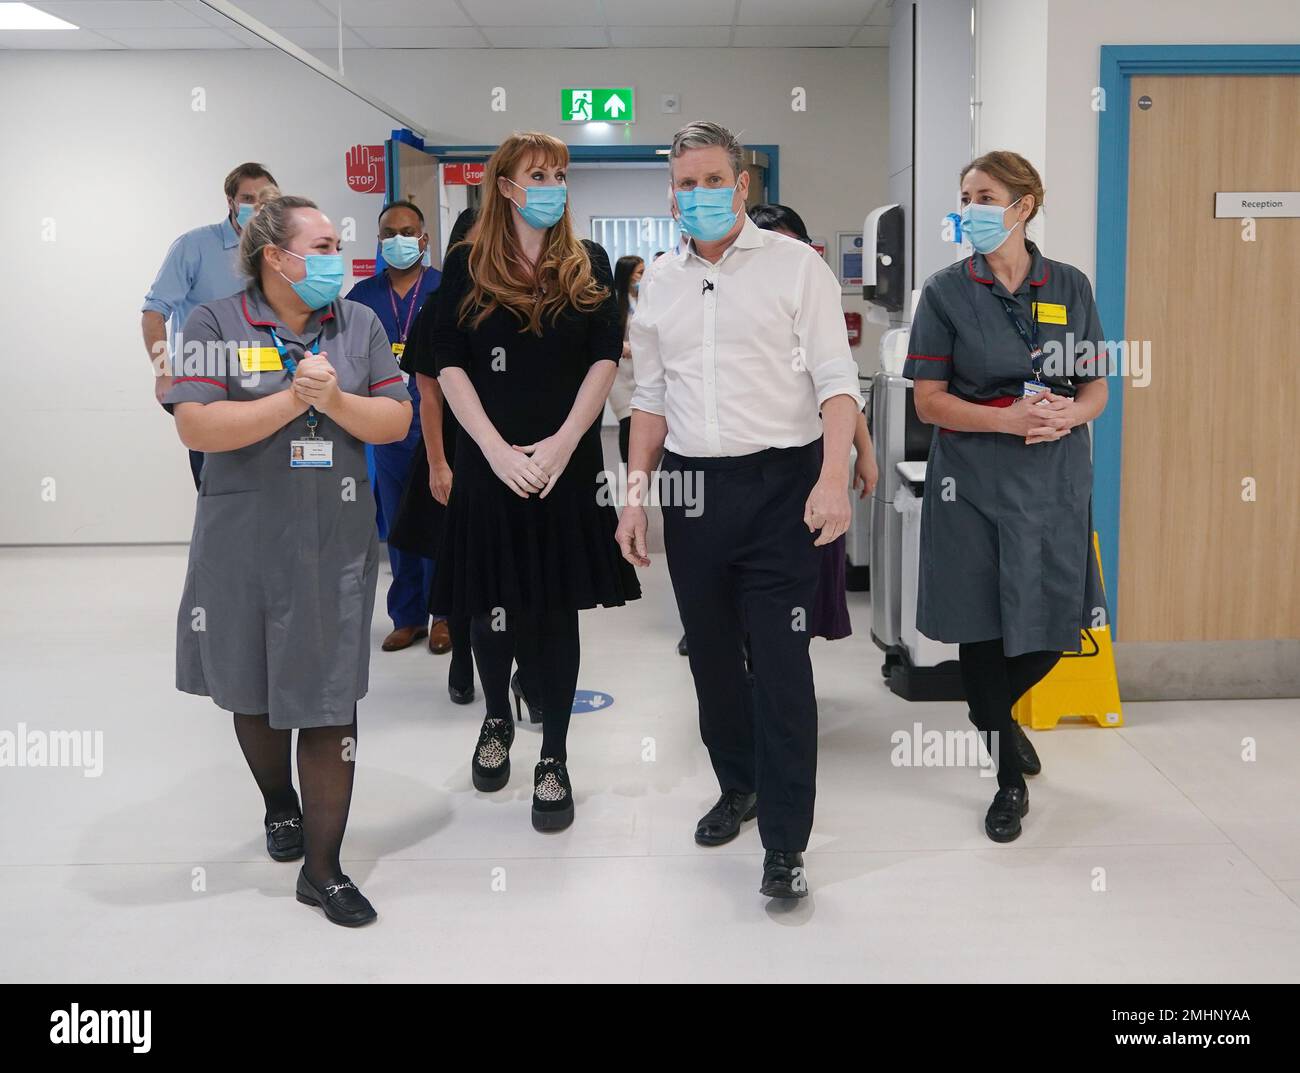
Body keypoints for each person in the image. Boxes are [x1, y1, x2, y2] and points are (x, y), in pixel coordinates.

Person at [616, 122, 863, 900]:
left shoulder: (797, 269)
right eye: (684, 184)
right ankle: (739, 785)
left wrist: (834, 476)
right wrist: (634, 494)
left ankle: (786, 845)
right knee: (715, 660)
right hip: (693, 492)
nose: (699, 195)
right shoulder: (658, 282)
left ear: (742, 185)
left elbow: (835, 380)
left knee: (783, 666)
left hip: (782, 487)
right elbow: (650, 400)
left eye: (712, 179)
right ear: (671, 193)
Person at [163, 187, 413, 926]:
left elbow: (396, 419)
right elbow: (198, 427)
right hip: (243, 539)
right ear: (276, 256)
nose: (340, 258)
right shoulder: (214, 320)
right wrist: (292, 400)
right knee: (255, 688)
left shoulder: (358, 322)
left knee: (331, 695)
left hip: (333, 538)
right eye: (326, 246)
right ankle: (281, 804)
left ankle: (324, 869)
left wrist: (334, 402)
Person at [410, 132, 641, 832]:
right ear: (505, 186)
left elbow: (604, 355)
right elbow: (445, 360)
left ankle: (556, 758)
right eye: (537, 174)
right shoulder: (468, 262)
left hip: (564, 466)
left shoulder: (588, 261)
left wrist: (566, 442)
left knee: (555, 609)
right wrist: (491, 448)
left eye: (560, 174)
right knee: (491, 604)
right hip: (490, 460)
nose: (552, 185)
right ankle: (494, 717)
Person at [903, 150, 1109, 843]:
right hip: (972, 480)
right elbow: (930, 403)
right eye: (964, 196)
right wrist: (1005, 419)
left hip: (1053, 479)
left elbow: (1096, 386)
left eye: (984, 195)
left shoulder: (1069, 285)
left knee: (1057, 620)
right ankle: (1006, 779)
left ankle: (990, 710)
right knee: (983, 624)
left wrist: (1070, 416)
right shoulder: (945, 290)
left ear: (1023, 205)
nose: (970, 208)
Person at [748, 204, 879, 640]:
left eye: (792, 243)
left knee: (805, 569)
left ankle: (785, 654)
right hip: (749, 461)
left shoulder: (813, 294)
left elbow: (839, 387)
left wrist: (865, 451)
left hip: (814, 456)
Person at [388, 206, 480, 707]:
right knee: (457, 561)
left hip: (514, 457)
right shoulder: (440, 306)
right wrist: (440, 464)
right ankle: (462, 659)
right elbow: (429, 397)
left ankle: (520, 670)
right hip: (454, 453)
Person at [345, 201, 445, 655]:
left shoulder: (445, 290)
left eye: (408, 231)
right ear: (380, 240)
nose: (399, 239)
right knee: (399, 523)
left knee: (442, 522)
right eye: (390, 233)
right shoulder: (361, 297)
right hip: (388, 429)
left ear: (423, 239)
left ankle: (445, 613)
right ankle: (407, 617)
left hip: (442, 427)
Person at [144, 162, 277, 489]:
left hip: (266, 377)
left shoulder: (277, 251)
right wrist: (164, 371)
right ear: (230, 200)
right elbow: (154, 312)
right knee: (217, 487)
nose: (256, 206)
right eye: (248, 198)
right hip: (208, 379)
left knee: (269, 488)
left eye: (263, 199)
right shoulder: (195, 246)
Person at [608, 254, 644, 466]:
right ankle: (631, 474)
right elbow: (604, 337)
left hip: (643, 373)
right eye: (640, 272)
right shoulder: (613, 303)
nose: (643, 276)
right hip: (620, 375)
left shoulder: (646, 298)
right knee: (627, 423)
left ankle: (642, 473)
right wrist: (621, 346)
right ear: (627, 275)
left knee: (643, 426)